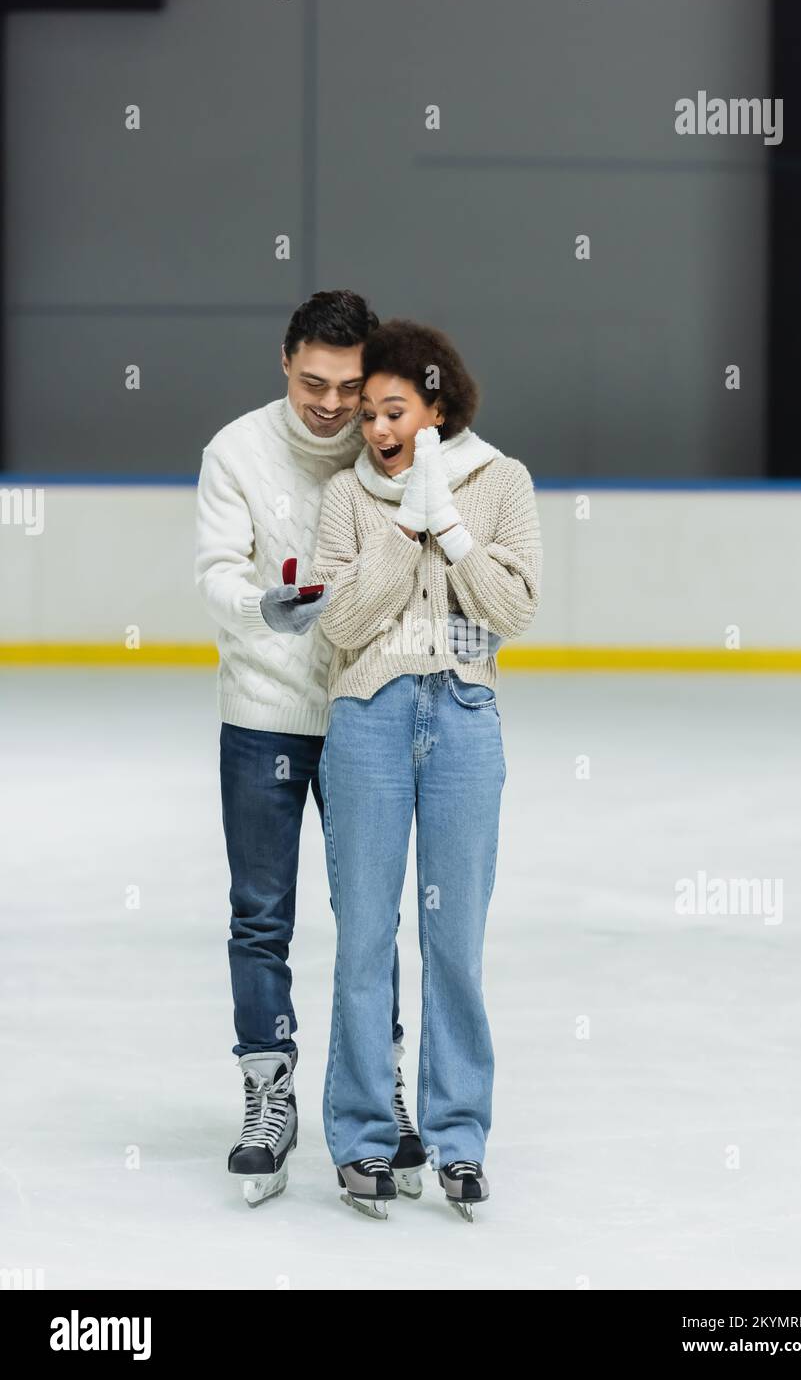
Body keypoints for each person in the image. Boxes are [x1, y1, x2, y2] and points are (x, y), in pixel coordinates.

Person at [195, 291, 497, 1207]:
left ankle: (382, 1087)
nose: (336, 408)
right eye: (315, 385)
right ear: (283, 362)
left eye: (354, 390)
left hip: (369, 716)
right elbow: (215, 572)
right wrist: (260, 606)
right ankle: (270, 1091)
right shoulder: (237, 451)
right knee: (262, 913)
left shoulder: (393, 448)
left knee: (377, 920)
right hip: (267, 709)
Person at [311, 319, 542, 1219]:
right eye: (367, 413)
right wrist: (403, 531)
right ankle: (366, 1136)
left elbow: (512, 610)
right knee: (364, 938)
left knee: (455, 947)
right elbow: (341, 624)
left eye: (393, 409)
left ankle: (459, 1139)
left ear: (437, 406)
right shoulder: (345, 498)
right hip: (366, 718)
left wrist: (449, 523)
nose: (375, 429)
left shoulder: (502, 483)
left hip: (463, 718)